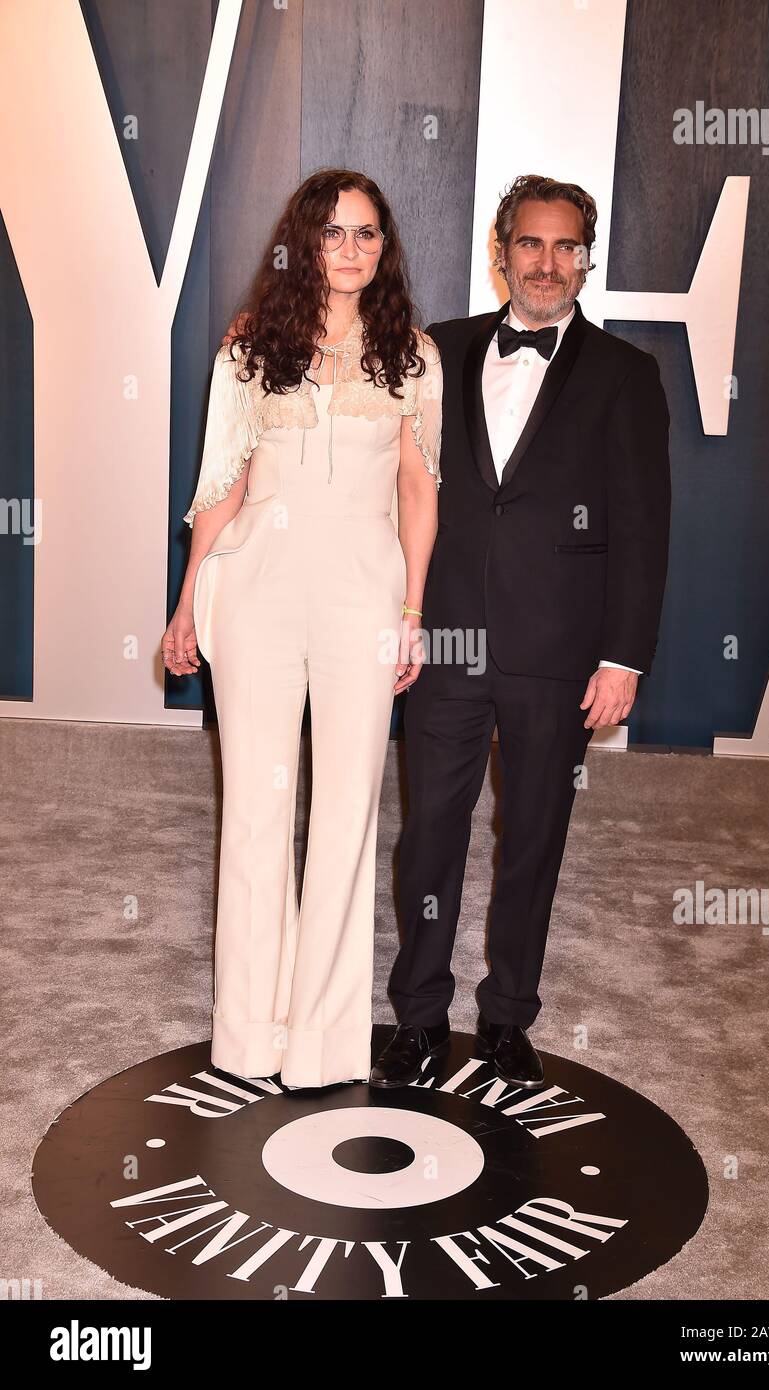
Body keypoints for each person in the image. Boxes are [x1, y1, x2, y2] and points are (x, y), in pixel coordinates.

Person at [371, 174, 671, 1090]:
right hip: (446, 639)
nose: (547, 263)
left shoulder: (626, 374)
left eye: (565, 247)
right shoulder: (438, 350)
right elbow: (387, 485)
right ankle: (418, 1016)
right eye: (530, 244)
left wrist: (623, 656)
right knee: (430, 835)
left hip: (560, 653)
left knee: (534, 835)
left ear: (587, 260)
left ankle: (506, 1019)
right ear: (500, 250)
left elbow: (644, 524)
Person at [162, 169, 441, 1090]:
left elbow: (416, 490)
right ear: (303, 241)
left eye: (366, 234)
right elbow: (220, 487)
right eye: (333, 233)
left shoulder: (413, 356)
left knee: (347, 813)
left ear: (384, 246)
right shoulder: (250, 348)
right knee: (253, 810)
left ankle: (323, 1041)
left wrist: (411, 615)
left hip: (365, 595)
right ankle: (248, 1034)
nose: (351, 250)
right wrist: (186, 600)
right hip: (257, 589)